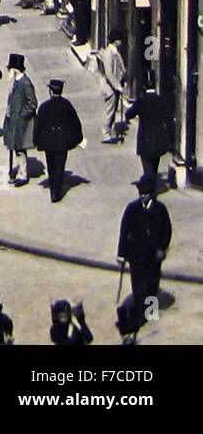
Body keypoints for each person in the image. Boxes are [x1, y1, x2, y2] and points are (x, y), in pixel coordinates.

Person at [116, 175, 172, 343]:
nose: (144, 196)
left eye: (147, 194)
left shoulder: (160, 209)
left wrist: (162, 248)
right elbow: (124, 231)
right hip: (136, 254)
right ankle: (140, 316)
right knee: (139, 286)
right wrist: (121, 253)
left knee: (152, 285)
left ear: (152, 194)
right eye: (141, 193)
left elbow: (167, 231)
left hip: (153, 255)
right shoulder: (132, 208)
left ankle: (150, 313)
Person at [34, 79, 83, 203]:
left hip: (49, 142)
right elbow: (75, 123)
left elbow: (38, 125)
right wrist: (78, 138)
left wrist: (36, 140)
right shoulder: (66, 105)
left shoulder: (44, 106)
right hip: (62, 142)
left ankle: (53, 190)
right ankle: (57, 191)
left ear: (51, 91)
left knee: (51, 165)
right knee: (60, 166)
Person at [2, 53, 37, 185]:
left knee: (19, 148)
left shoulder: (25, 83)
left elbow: (32, 103)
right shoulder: (17, 82)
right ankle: (21, 172)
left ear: (15, 70)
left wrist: (22, 116)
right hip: (14, 120)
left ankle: (23, 175)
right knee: (16, 147)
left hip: (20, 122)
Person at [126, 87, 172, 182]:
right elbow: (168, 117)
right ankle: (153, 184)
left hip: (145, 137)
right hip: (158, 137)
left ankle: (149, 185)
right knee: (155, 164)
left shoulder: (141, 101)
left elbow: (129, 114)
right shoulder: (161, 100)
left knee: (147, 165)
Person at [93, 37, 128, 143]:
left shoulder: (115, 52)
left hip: (114, 88)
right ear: (116, 40)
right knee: (109, 111)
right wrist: (118, 87)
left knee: (112, 111)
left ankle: (109, 132)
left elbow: (121, 67)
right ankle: (106, 134)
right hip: (109, 88)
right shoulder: (109, 54)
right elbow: (109, 74)